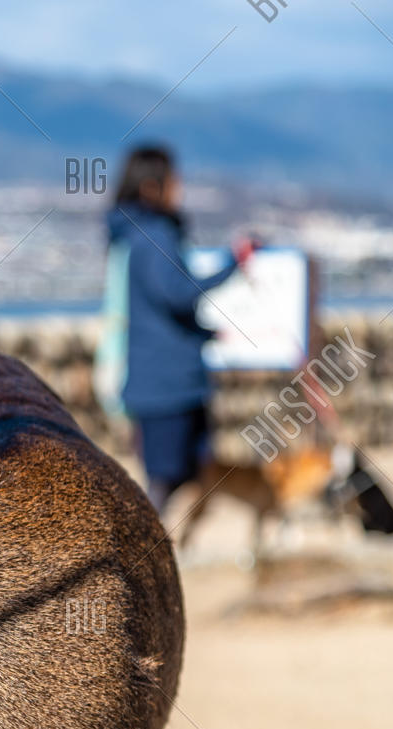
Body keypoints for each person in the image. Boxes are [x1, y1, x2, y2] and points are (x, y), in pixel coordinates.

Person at [103, 145, 256, 513]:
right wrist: (233, 263)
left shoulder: (137, 234)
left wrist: (204, 333)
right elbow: (178, 294)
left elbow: (158, 310)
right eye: (174, 181)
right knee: (166, 479)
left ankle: (158, 553)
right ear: (151, 187)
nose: (180, 188)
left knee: (181, 475)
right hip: (167, 386)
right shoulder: (153, 235)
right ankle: (142, 556)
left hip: (164, 381)